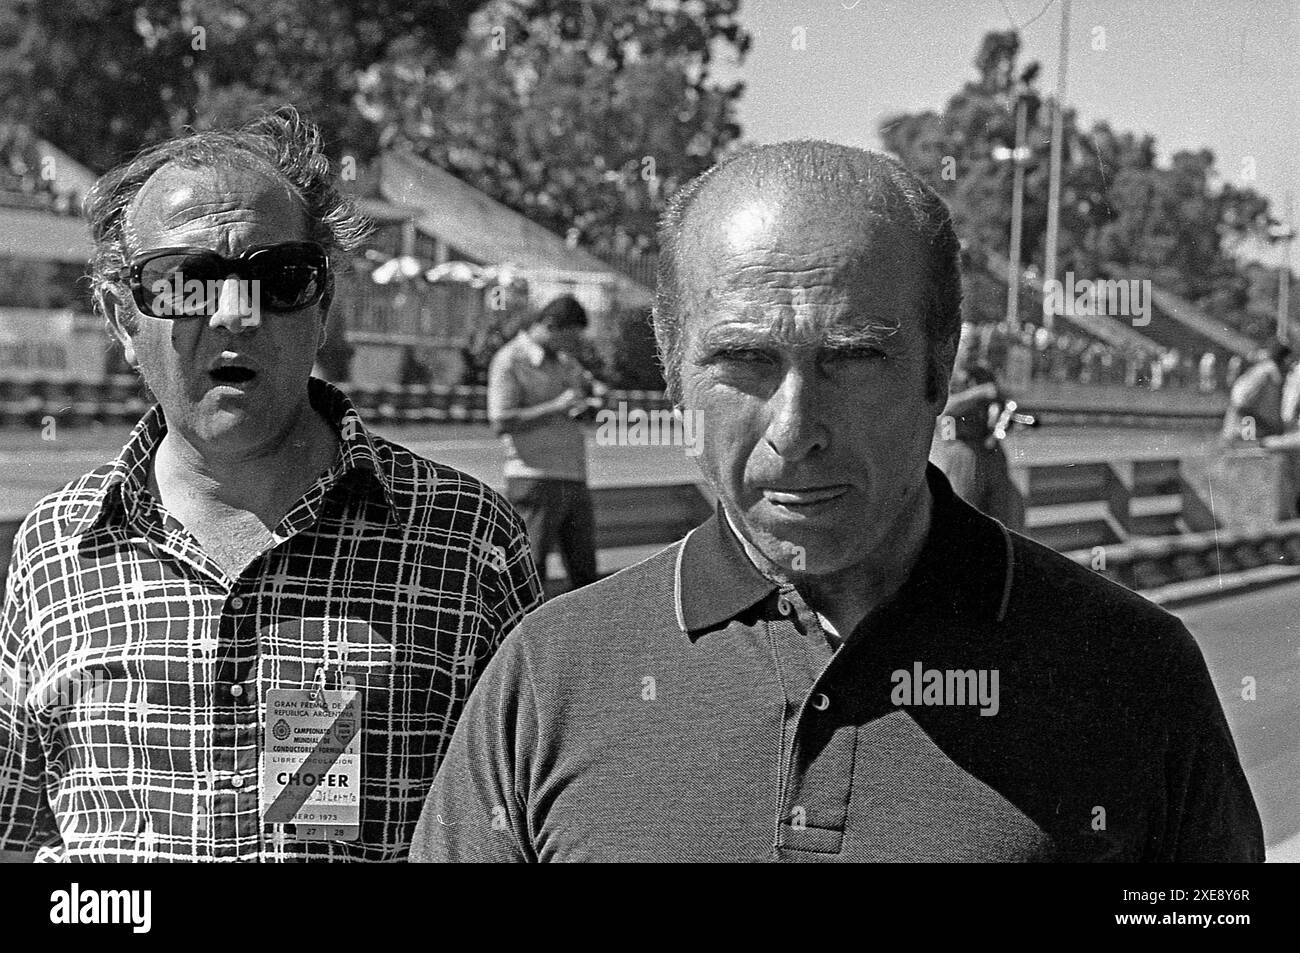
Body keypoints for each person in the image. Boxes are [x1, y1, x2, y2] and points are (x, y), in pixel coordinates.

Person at [411, 141, 1263, 862]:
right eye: (743, 361)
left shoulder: (1130, 672)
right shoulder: (548, 676)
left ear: (940, 366)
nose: (795, 427)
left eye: (851, 358)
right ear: (672, 370)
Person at [0, 108, 541, 862]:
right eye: (187, 282)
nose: (235, 313)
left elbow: (529, 828)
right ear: (122, 319)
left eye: (278, 277)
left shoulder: (465, 539)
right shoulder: (54, 549)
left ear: (324, 304)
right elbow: (19, 835)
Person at [487, 294, 602, 595]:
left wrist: (594, 402)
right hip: (534, 479)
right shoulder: (511, 360)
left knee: (585, 573)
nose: (573, 345)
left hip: (573, 476)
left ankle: (590, 638)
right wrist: (556, 406)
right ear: (549, 325)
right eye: (569, 337)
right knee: (530, 571)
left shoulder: (566, 362)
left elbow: (582, 404)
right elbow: (501, 421)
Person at [930, 322, 1026, 532]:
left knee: (1001, 515)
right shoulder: (945, 374)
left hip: (988, 447)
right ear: (955, 345)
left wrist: (999, 420)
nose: (974, 353)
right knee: (964, 515)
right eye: (969, 347)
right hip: (959, 449)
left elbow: (1004, 403)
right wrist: (979, 394)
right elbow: (944, 408)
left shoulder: (983, 373)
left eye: (977, 347)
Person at [1220, 341, 1291, 443]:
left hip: (1254, 435)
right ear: (1285, 359)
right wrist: (1266, 426)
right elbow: (1240, 402)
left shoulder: (1268, 373)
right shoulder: (1263, 373)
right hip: (1246, 435)